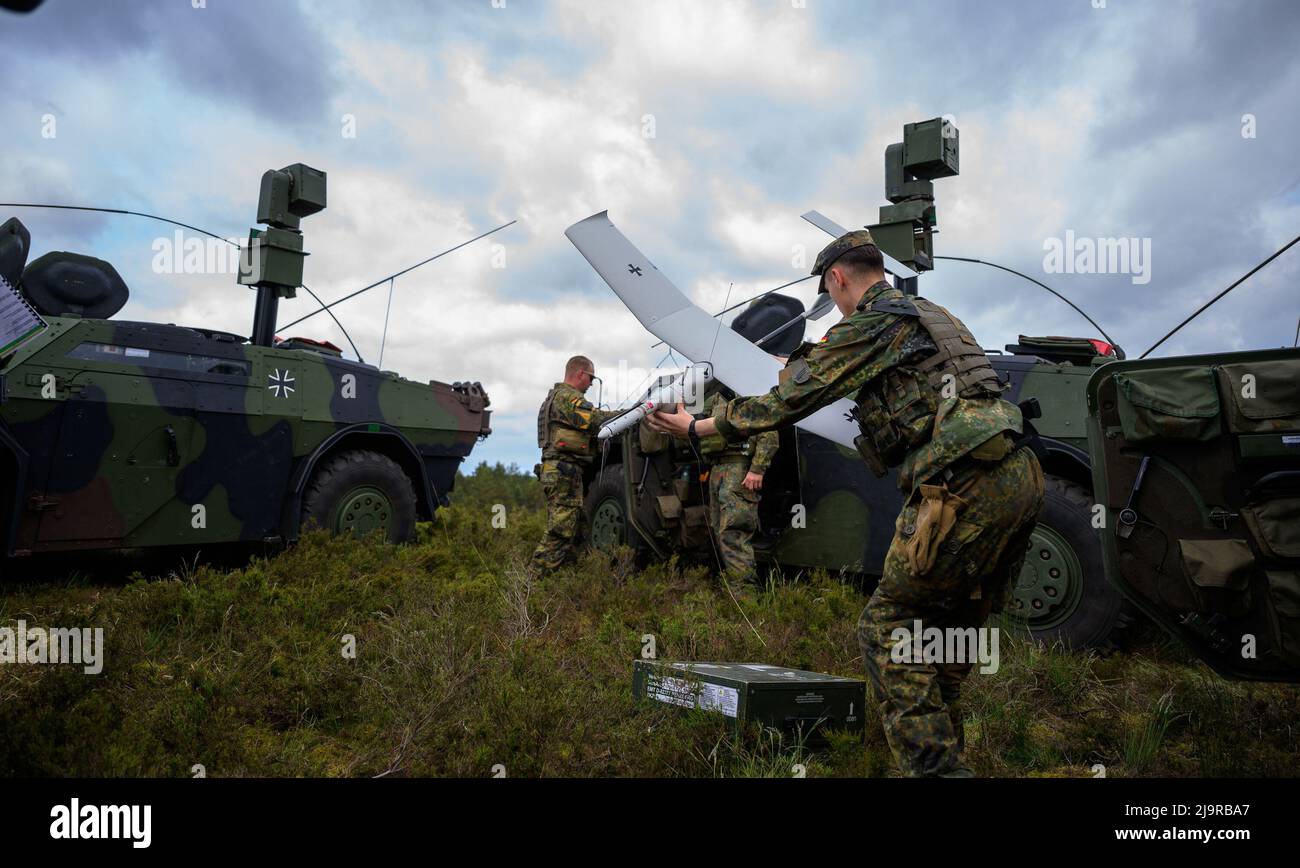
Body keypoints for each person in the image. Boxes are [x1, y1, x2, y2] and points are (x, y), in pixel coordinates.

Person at [646, 231, 1044, 777]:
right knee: (949, 629)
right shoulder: (931, 314)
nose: (833, 303)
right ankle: (943, 746)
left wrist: (700, 424)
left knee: (886, 628)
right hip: (1019, 472)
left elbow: (794, 397)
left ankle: (936, 770)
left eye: (830, 294)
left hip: (964, 481)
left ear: (837, 278)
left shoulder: (873, 320)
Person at [531, 355, 617, 571]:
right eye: (591, 378)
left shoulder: (555, 398)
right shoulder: (567, 398)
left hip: (562, 472)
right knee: (560, 531)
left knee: (576, 531)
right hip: (563, 472)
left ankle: (566, 583)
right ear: (581, 374)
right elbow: (596, 420)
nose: (590, 384)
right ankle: (530, 584)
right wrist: (634, 413)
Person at [697, 387, 779, 592]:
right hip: (718, 470)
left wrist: (757, 469)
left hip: (739, 470)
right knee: (719, 530)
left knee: (734, 533)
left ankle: (745, 597)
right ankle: (735, 589)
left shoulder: (750, 392)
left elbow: (769, 432)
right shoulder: (716, 398)